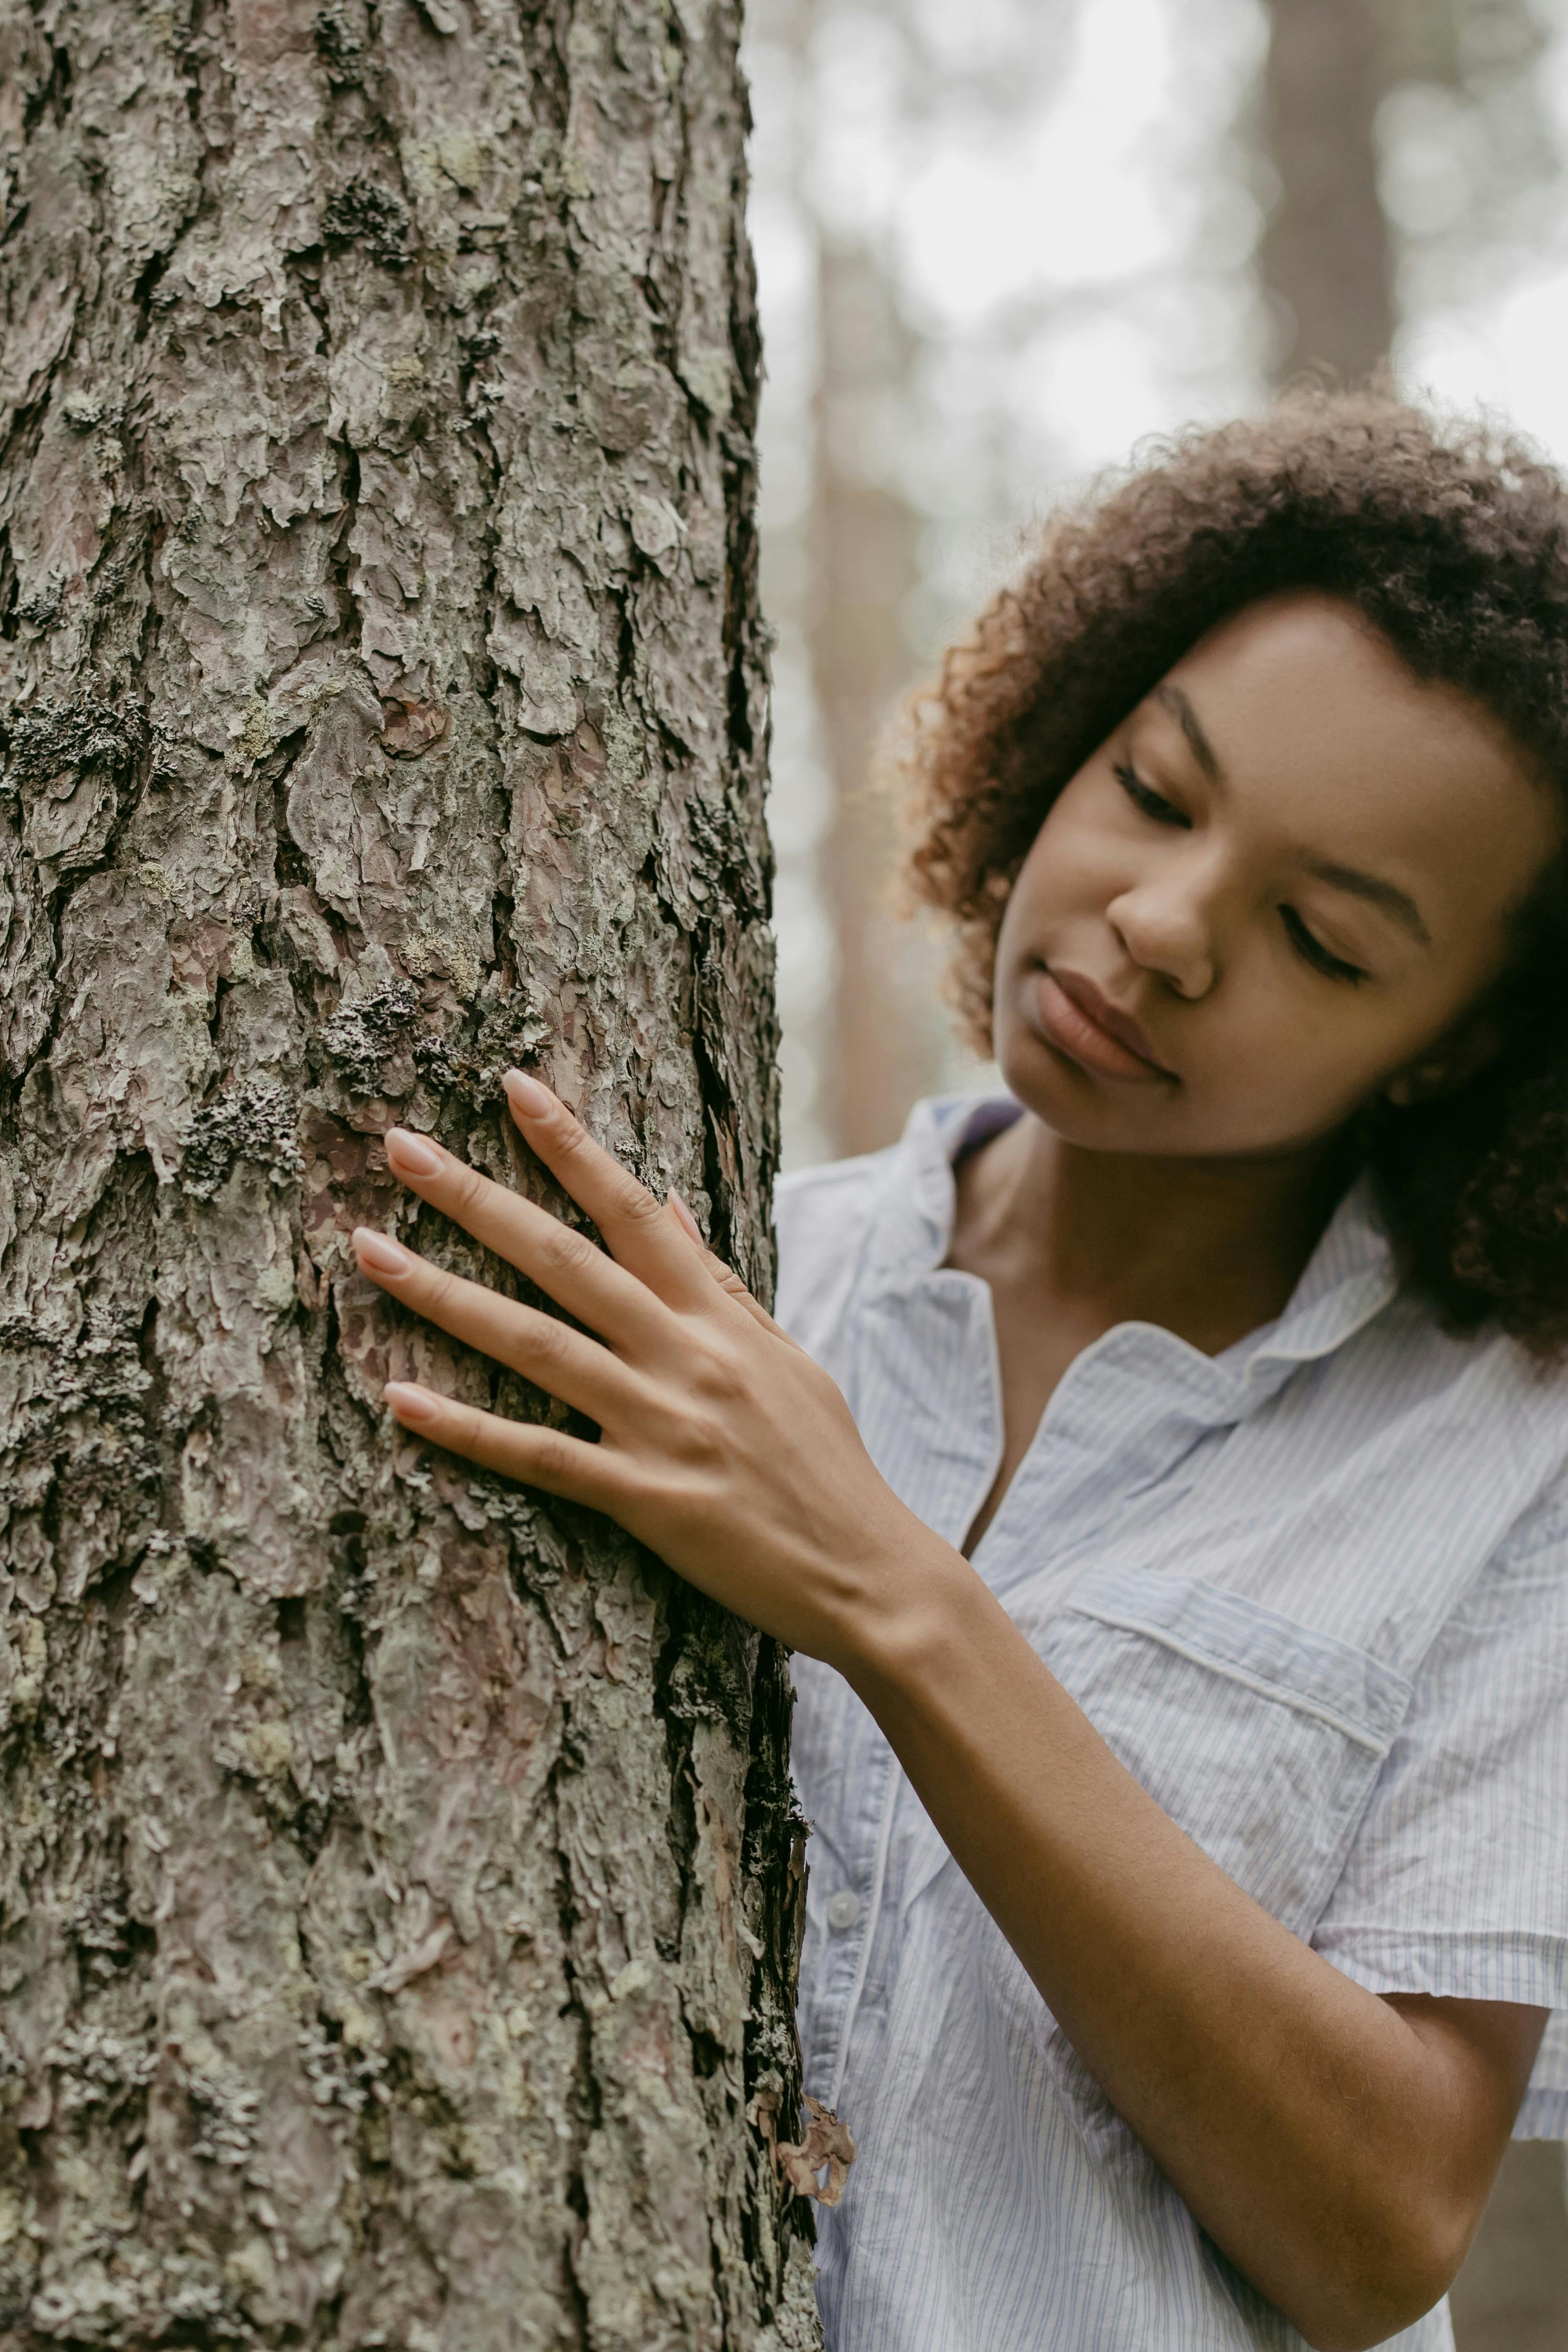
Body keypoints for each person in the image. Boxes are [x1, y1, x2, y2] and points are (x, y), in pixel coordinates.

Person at [350, 394, 1568, 2351]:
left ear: (1454, 1048)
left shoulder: (1505, 1456)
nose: (1157, 927)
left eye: (1323, 940)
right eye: (1156, 793)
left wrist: (895, 1599)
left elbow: (1381, 2223)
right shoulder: (746, 1280)